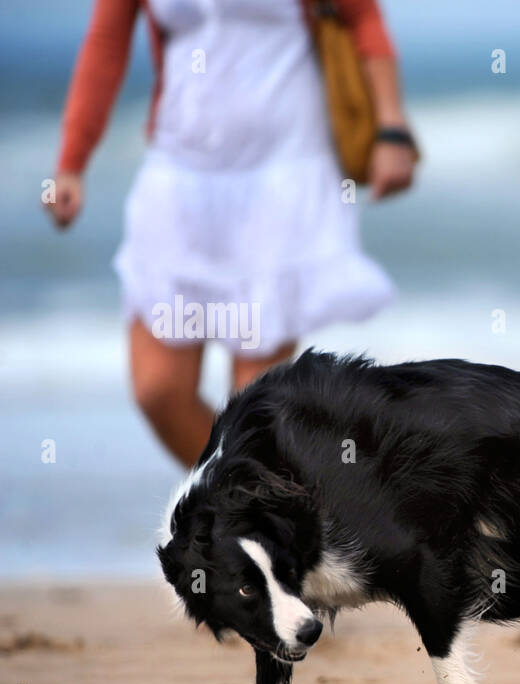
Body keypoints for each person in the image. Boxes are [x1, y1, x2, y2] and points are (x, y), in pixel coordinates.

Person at [46, 0, 416, 467]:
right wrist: (71, 164)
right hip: (179, 173)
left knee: (253, 406)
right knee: (159, 390)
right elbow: (106, 42)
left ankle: (248, 518)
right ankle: (263, 505)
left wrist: (392, 129)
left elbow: (361, 16)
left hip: (284, 171)